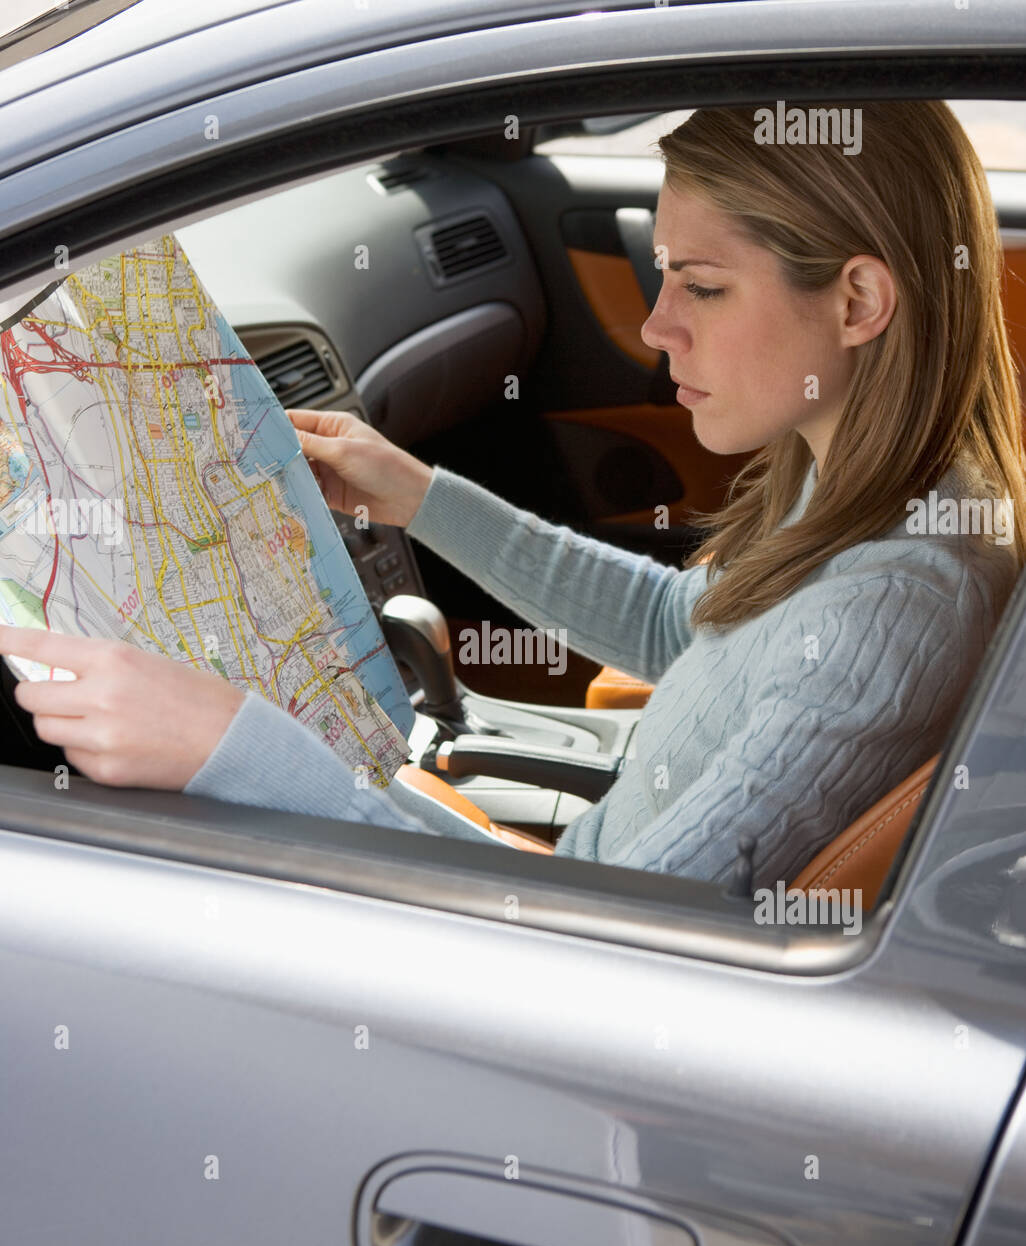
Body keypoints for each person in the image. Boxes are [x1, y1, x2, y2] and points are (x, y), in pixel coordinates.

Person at [0, 100, 1023, 893]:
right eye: (663, 277)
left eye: (703, 287)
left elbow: (609, 947)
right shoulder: (864, 482)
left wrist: (234, 746)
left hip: (568, 922)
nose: (660, 326)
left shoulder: (890, 609)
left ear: (856, 301)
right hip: (585, 858)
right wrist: (421, 495)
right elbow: (683, 627)